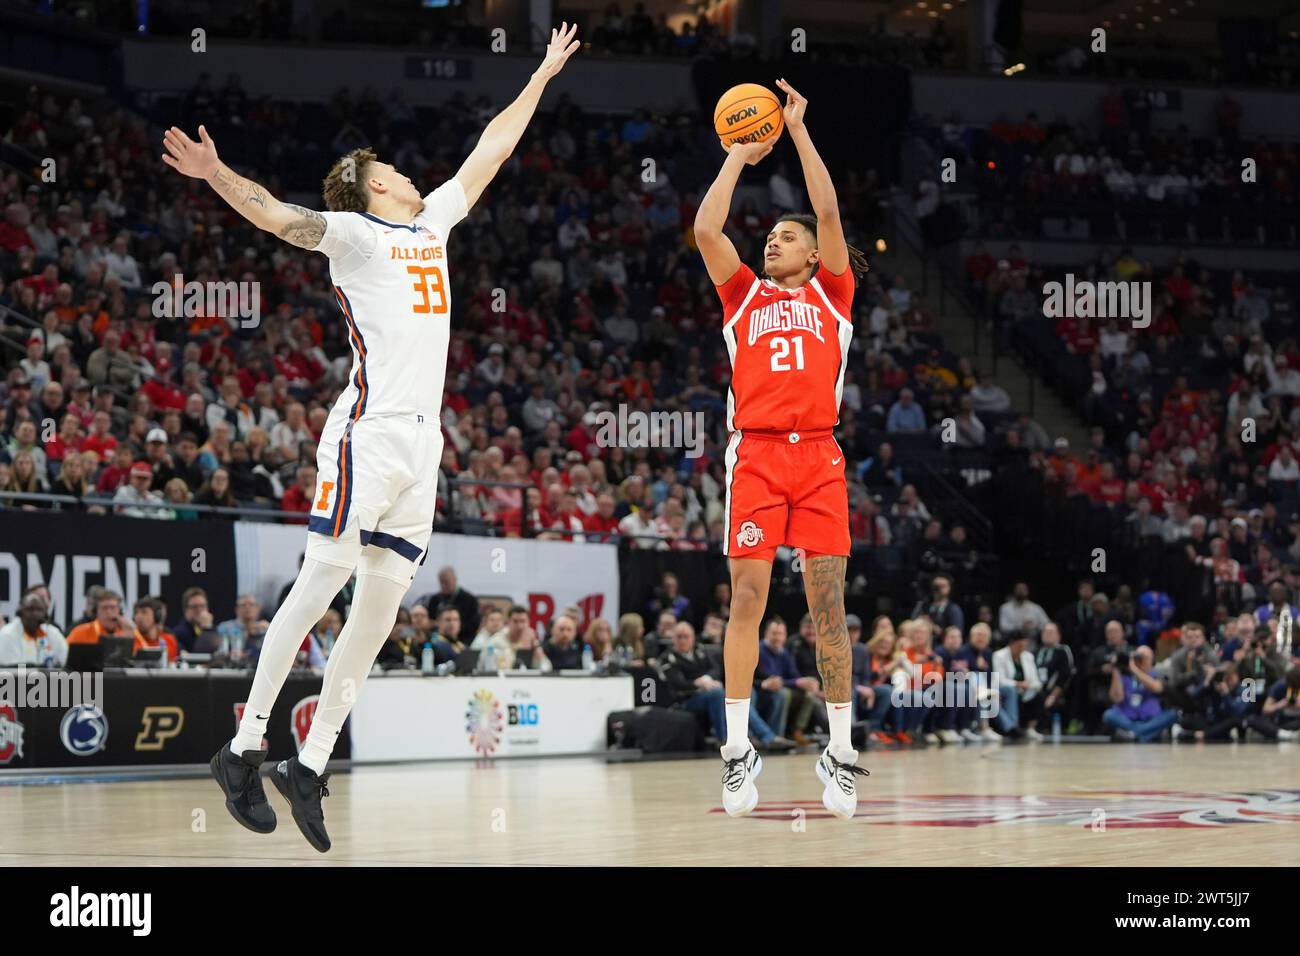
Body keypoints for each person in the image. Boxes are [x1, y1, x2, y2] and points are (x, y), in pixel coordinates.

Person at [178, 23, 582, 852]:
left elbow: (491, 150)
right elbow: (279, 218)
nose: (404, 171)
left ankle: (310, 764)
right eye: (387, 170)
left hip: (423, 447)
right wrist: (219, 174)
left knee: (376, 613)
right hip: (367, 436)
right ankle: (246, 745)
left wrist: (542, 73)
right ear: (368, 191)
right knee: (320, 589)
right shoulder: (356, 236)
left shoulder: (431, 222)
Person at [694, 78, 870, 818]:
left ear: (813, 253)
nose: (774, 239)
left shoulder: (832, 292)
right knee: (750, 603)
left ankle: (841, 749)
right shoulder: (743, 296)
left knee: (827, 606)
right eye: (771, 235)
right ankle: (737, 751)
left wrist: (797, 131)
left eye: (786, 236)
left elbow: (827, 209)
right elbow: (707, 230)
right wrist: (737, 154)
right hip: (758, 456)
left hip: (820, 458)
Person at [1103, 645, 1178, 742]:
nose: (1141, 660)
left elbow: (1156, 688)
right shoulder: (1126, 676)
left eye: (1145, 658)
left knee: (1173, 714)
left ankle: (1135, 734)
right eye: (1138, 657)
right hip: (1128, 718)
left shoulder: (1157, 675)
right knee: (1108, 715)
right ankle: (1144, 734)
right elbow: (1117, 699)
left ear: (1152, 660)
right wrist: (1116, 670)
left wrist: (1135, 670)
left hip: (1151, 719)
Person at [0, 592, 67, 666]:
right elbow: (10, 672)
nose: (35, 613)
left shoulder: (52, 633)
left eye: (39, 609)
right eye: (30, 609)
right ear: (20, 612)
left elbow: (65, 662)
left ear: (45, 613)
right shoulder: (7, 634)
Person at [131, 597, 179, 665]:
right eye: (136, 613)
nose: (139, 616)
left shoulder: (169, 640)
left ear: (157, 616)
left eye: (144, 612)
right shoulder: (131, 640)